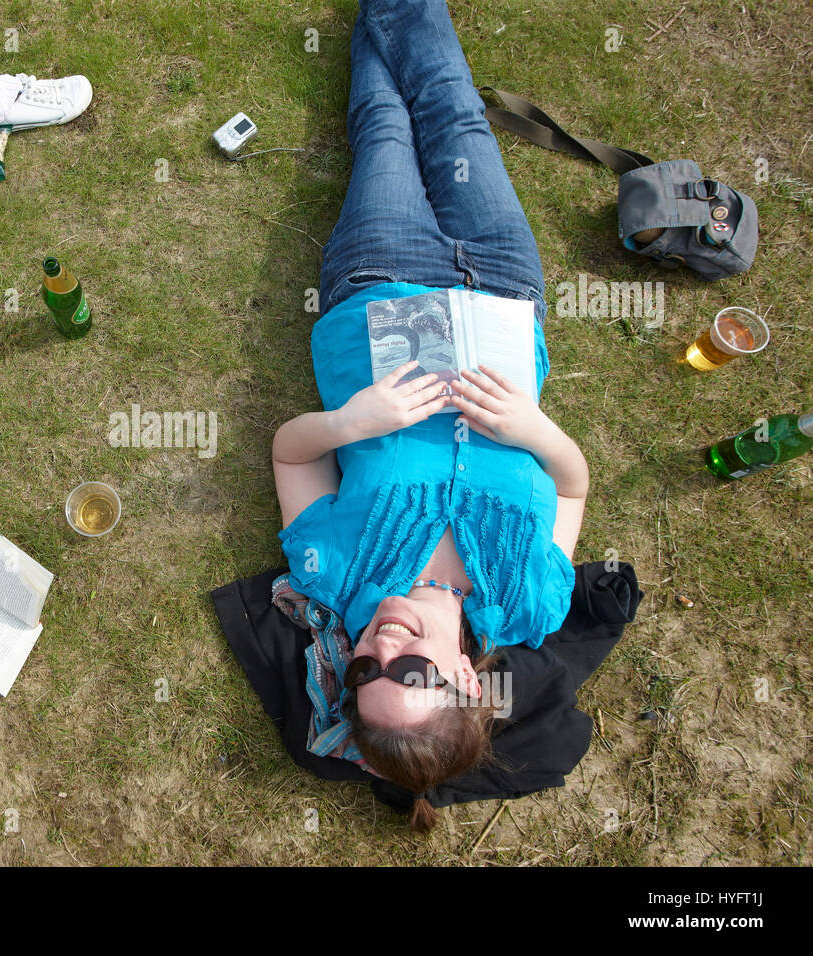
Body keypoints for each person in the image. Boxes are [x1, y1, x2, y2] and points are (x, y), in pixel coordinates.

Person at [270, 0, 590, 831]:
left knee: (381, 126)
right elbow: (576, 487)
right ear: (470, 681)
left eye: (363, 671)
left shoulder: (333, 578)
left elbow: (288, 457)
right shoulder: (528, 603)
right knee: (453, 114)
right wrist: (534, 435)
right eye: (408, 673)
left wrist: (350, 424)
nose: (380, 646)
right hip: (502, 291)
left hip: (379, 285)